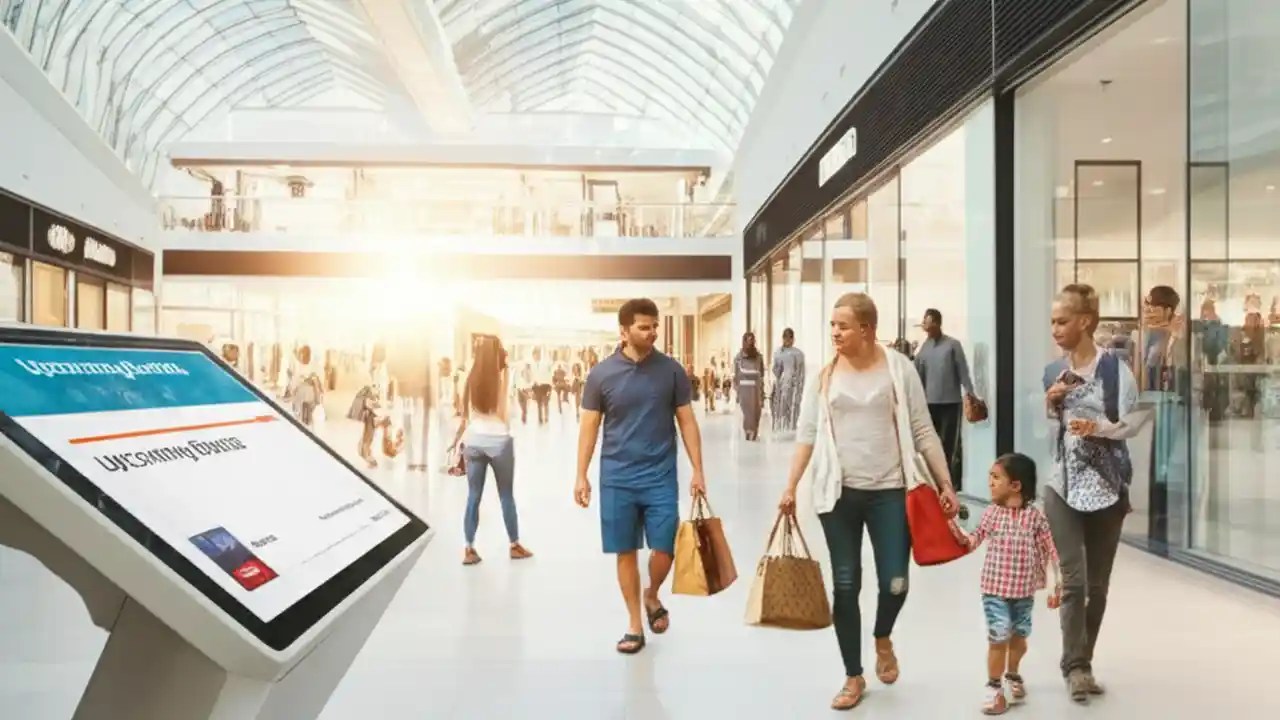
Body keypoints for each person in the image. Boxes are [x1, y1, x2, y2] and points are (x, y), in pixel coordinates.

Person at [778, 292, 958, 711]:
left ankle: (882, 635)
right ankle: (853, 675)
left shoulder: (898, 368)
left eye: (842, 326)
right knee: (845, 585)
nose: (835, 333)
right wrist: (790, 487)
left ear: (867, 329)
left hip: (891, 491)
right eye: (832, 325)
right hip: (838, 495)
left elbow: (923, 429)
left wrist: (945, 484)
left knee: (896, 582)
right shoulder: (825, 377)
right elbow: (807, 435)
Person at [575, 298, 708, 655]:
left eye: (655, 326)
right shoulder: (601, 375)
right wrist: (581, 475)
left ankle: (652, 593)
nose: (652, 333)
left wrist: (698, 469)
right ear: (624, 331)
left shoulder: (671, 371)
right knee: (626, 551)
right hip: (617, 477)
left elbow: (687, 421)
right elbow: (589, 427)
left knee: (665, 546)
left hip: (660, 475)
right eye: (644, 327)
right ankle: (634, 624)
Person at [1042, 283, 1143, 703]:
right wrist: (1051, 403)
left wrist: (1098, 427)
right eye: (1052, 322)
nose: (1055, 329)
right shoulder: (1053, 371)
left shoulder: (1115, 371)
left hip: (1107, 488)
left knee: (1097, 586)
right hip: (1062, 487)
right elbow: (1054, 431)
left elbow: (1135, 422)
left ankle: (1083, 660)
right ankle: (1074, 666)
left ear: (1085, 322)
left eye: (1062, 321)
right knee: (1074, 581)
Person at [952, 453, 1061, 715]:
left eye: (995, 477)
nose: (989, 482)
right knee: (999, 636)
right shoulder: (992, 513)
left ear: (1015, 485)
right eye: (989, 477)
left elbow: (1052, 551)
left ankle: (1012, 674)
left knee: (1020, 637)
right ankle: (993, 687)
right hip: (995, 590)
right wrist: (957, 534)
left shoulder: (1035, 518)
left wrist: (1056, 585)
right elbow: (975, 539)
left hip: (1024, 591)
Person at [451, 337, 532, 566]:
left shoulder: (470, 377)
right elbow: (503, 413)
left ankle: (469, 548)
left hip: (474, 440)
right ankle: (514, 545)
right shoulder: (501, 377)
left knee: (473, 496)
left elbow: (464, 414)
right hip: (499, 441)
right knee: (506, 495)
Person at [915, 309, 976, 503]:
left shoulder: (952, 345)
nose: (925, 326)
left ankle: (951, 486)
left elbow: (963, 371)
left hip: (950, 403)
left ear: (937, 323)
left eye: (928, 322)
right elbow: (917, 376)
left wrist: (970, 393)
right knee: (930, 445)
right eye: (924, 323)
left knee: (949, 445)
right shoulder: (924, 349)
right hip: (929, 404)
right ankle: (934, 485)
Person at [772, 328, 806, 433]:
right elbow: (776, 370)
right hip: (782, 384)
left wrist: (799, 386)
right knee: (781, 407)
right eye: (785, 337)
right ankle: (781, 428)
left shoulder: (798, 354)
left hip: (793, 385)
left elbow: (801, 372)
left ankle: (792, 427)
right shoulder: (778, 352)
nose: (787, 340)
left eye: (790, 337)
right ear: (783, 338)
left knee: (793, 406)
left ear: (793, 339)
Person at [733, 332, 766, 440]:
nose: (750, 343)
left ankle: (754, 429)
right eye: (748, 341)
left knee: (756, 411)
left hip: (756, 388)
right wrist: (737, 391)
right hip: (744, 389)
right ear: (744, 342)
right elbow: (736, 375)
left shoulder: (759, 357)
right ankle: (748, 430)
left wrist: (762, 391)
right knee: (747, 411)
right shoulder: (738, 358)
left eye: (752, 341)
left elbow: (761, 374)